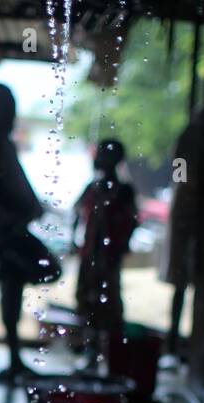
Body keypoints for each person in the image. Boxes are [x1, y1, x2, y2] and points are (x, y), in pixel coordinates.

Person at [0, 84, 46, 380]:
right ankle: (14, 357)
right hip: (6, 227)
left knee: (14, 284)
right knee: (16, 280)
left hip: (9, 224)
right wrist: (25, 208)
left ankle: (15, 357)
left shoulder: (1, 143)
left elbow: (16, 184)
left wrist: (31, 206)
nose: (12, 114)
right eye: (8, 107)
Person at [73, 138, 138, 371]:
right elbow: (77, 213)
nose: (99, 159)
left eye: (104, 155)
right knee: (87, 301)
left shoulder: (122, 192)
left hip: (108, 258)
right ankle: (93, 352)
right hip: (91, 255)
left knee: (107, 305)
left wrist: (120, 247)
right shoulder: (94, 188)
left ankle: (110, 356)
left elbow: (131, 222)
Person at [160, 112, 201, 358]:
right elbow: (179, 168)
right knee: (181, 282)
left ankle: (176, 343)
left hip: (193, 211)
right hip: (189, 212)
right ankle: (173, 343)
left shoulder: (199, 129)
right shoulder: (197, 130)